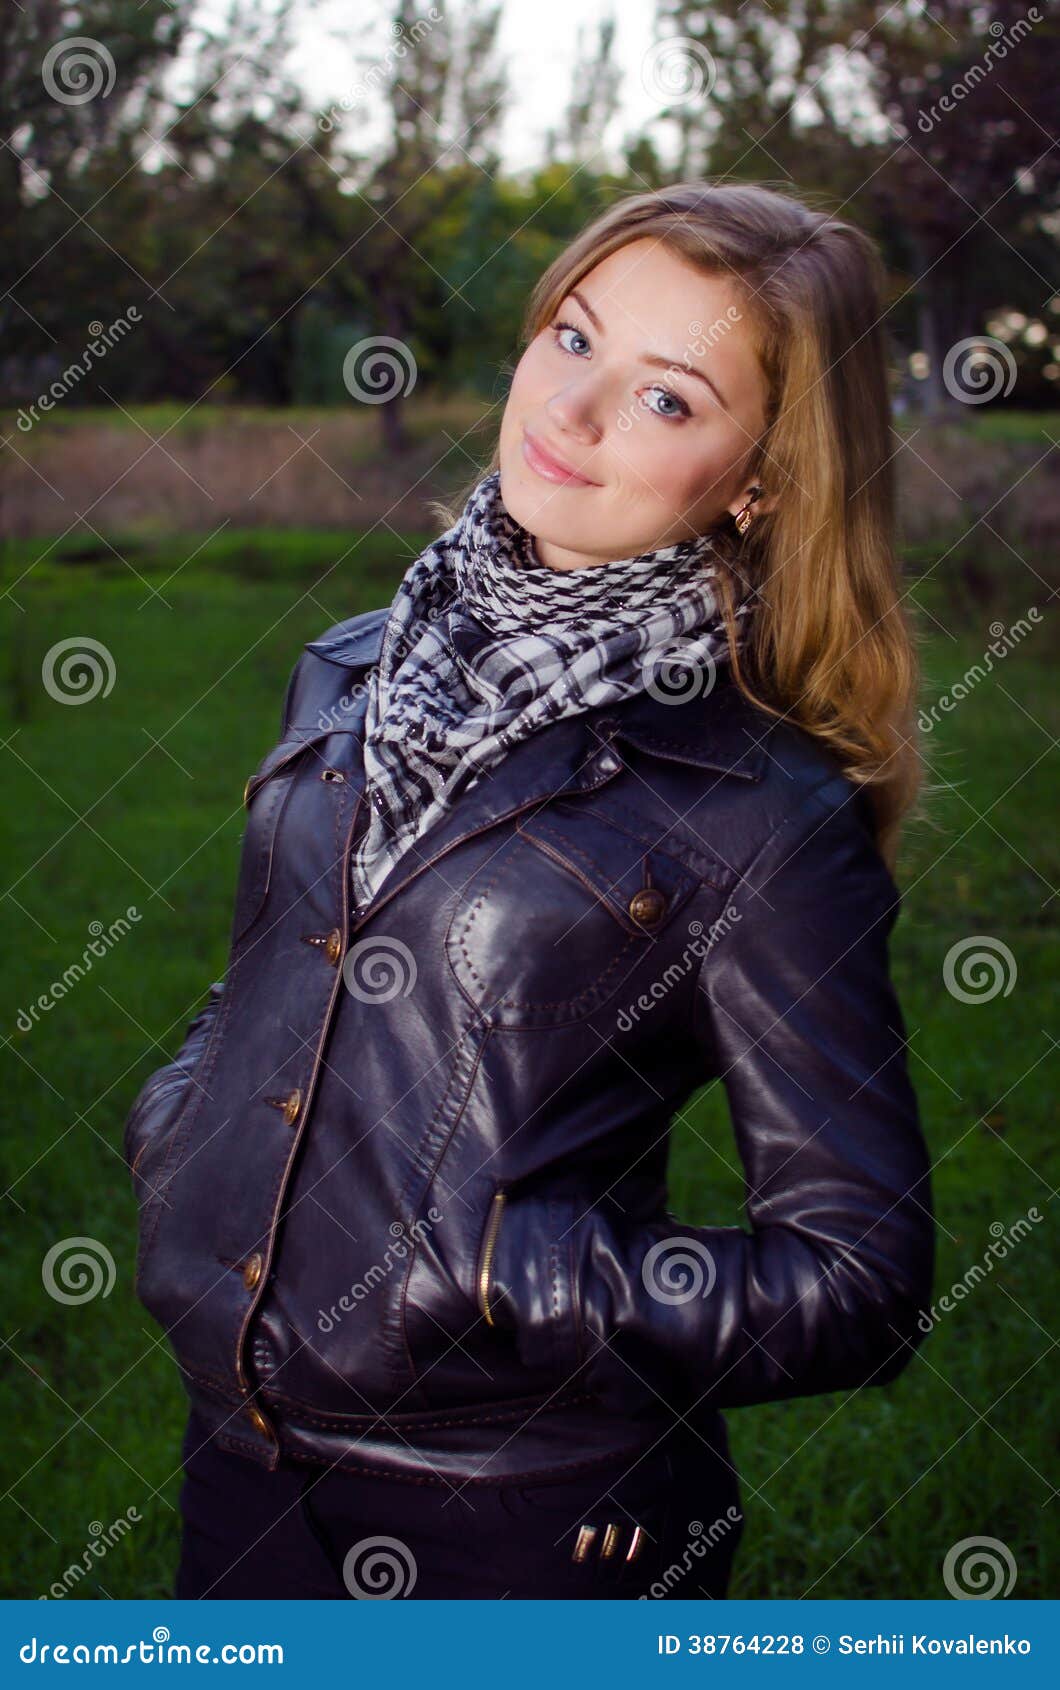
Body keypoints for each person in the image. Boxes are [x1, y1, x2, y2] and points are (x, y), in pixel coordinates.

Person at [123, 180, 936, 1601]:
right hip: (244, 1465)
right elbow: (285, 968)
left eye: (669, 399)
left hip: (528, 1528)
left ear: (763, 477)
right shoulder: (351, 665)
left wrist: (517, 1267)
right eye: (572, 338)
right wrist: (186, 1117)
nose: (573, 412)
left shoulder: (762, 807)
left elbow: (861, 1279)